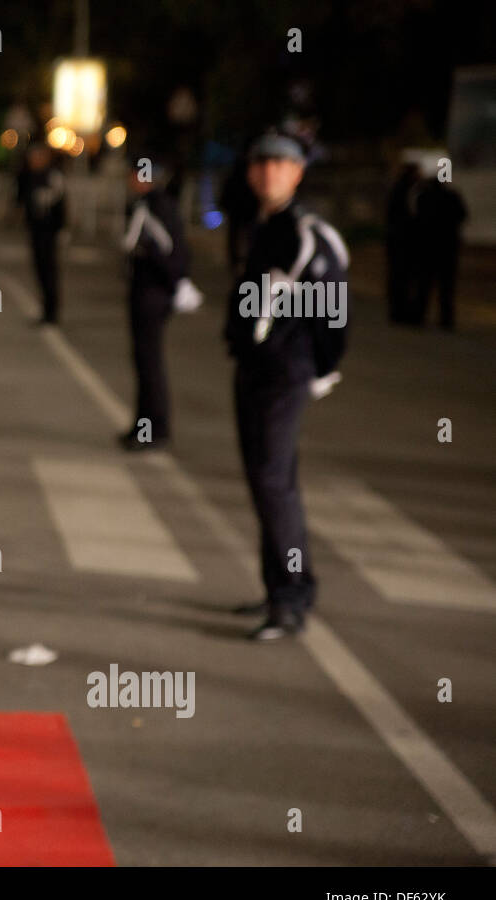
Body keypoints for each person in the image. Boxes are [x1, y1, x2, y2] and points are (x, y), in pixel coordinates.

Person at [224, 127, 349, 641]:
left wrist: (320, 370)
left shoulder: (305, 233)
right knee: (267, 484)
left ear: (298, 173)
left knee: (276, 487)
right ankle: (278, 587)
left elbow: (333, 315)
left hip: (284, 376)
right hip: (256, 371)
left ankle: (292, 598)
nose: (269, 171)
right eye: (262, 163)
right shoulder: (267, 225)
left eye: (281, 164)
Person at [120, 158, 188, 451]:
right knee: (143, 362)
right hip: (145, 291)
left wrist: (147, 258)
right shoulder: (148, 204)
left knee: (150, 365)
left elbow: (171, 253)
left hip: (152, 293)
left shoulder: (154, 207)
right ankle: (141, 425)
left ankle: (153, 430)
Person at [16, 141, 66, 325]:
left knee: (49, 271)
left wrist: (61, 229)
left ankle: (52, 310)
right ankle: (46, 309)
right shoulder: (30, 176)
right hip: (36, 230)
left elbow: (60, 204)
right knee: (39, 270)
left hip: (49, 232)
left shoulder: (53, 176)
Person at [413, 172, 467, 330]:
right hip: (447, 248)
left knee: (425, 284)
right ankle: (446, 319)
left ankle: (420, 315)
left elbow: (417, 219)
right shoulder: (451, 197)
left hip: (429, 248)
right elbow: (462, 215)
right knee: (446, 287)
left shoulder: (425, 197)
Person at [385, 159, 422, 325]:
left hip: (400, 242)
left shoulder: (402, 189)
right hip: (403, 242)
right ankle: (400, 311)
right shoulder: (406, 190)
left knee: (400, 278)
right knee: (402, 278)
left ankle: (399, 311)